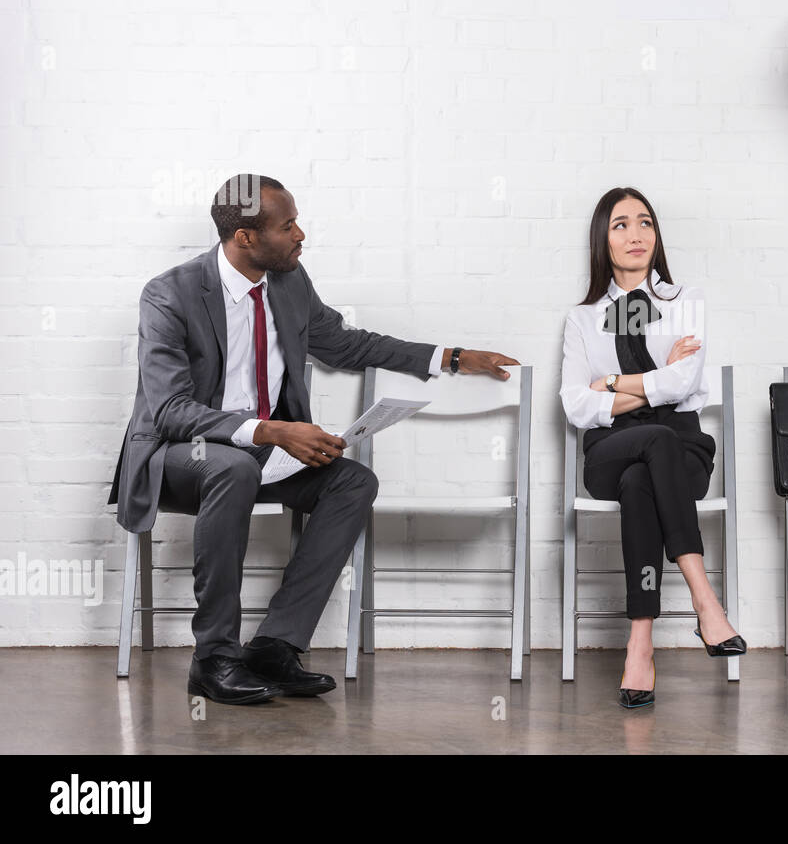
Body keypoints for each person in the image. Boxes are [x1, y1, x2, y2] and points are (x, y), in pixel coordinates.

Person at [108, 174, 519, 705]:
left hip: (261, 455)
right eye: (288, 225)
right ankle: (213, 658)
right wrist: (272, 430)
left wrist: (452, 357)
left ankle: (275, 646)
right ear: (246, 238)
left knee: (352, 482)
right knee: (231, 467)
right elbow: (168, 410)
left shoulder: (288, 281)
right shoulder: (170, 294)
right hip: (180, 458)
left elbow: (344, 344)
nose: (301, 234)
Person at [560, 187, 746, 709]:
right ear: (603, 239)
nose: (636, 234)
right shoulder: (583, 318)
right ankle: (704, 600)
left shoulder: (685, 300)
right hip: (609, 449)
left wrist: (611, 384)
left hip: (680, 448)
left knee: (645, 472)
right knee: (649, 442)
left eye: (645, 223)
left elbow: (685, 385)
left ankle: (639, 643)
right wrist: (653, 378)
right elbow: (575, 406)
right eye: (620, 225)